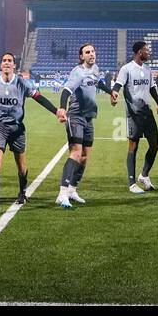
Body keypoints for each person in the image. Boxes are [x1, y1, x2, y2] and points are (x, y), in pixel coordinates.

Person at [0, 52, 61, 214]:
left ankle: (22, 191)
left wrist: (56, 111)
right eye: (4, 61)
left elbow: (39, 97)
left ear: (14, 65)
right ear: (1, 65)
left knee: (21, 166)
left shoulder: (23, 83)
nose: (7, 63)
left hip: (17, 130)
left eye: (10, 61)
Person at [55, 43, 109, 208]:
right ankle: (62, 194)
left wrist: (110, 92)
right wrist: (63, 108)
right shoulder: (77, 72)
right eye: (87, 52)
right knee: (76, 153)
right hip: (76, 117)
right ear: (81, 56)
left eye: (93, 51)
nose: (91, 54)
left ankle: (72, 190)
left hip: (88, 118)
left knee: (85, 156)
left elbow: (97, 82)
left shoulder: (95, 69)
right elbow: (66, 91)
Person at [112, 41, 158, 193]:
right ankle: (132, 183)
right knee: (133, 146)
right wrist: (114, 94)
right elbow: (118, 85)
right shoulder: (126, 69)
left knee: (155, 145)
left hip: (147, 112)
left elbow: (152, 88)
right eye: (147, 50)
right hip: (134, 113)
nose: (149, 52)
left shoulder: (147, 69)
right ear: (139, 52)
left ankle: (144, 175)